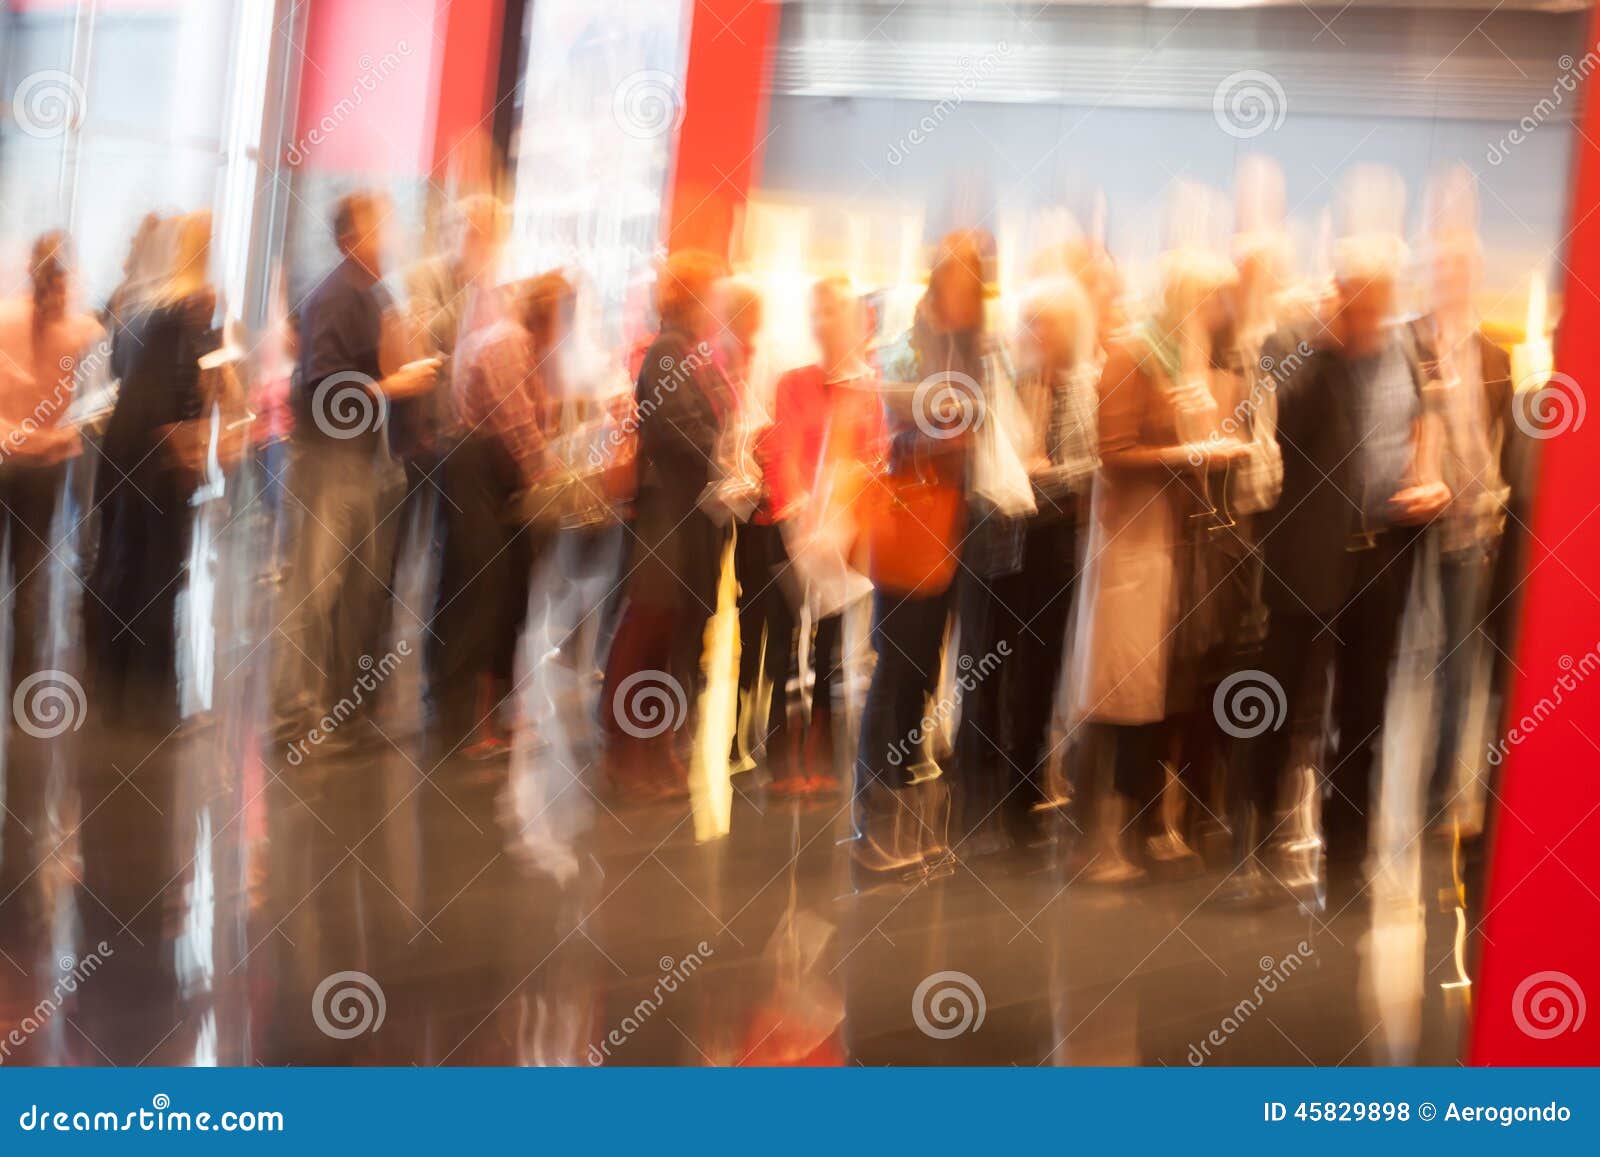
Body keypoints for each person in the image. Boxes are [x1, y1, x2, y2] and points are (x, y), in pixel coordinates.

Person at [1232, 235, 1451, 909]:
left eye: (1378, 299)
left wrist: (1432, 486)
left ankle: (1349, 851)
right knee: (1278, 706)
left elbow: (1418, 434)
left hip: (1379, 558)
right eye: (1356, 296)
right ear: (1339, 291)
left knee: (1363, 713)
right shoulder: (1292, 348)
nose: (1367, 311)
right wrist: (1323, 348)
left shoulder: (1407, 353)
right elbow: (1282, 427)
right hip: (1306, 562)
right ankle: (1258, 838)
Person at [1072, 249, 1249, 883]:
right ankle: (1097, 844)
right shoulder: (1132, 356)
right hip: (1130, 544)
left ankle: (1136, 831)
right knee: (1118, 692)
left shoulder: (1177, 357)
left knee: (1147, 694)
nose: (1217, 315)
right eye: (1207, 303)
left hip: (1164, 545)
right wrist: (1192, 450)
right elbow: (1114, 453)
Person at [851, 230, 1007, 878]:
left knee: (922, 673)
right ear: (942, 283)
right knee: (899, 667)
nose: (970, 294)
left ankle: (902, 821)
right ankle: (874, 820)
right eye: (962, 280)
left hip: (956, 527)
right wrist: (944, 437)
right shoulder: (910, 344)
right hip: (915, 519)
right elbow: (889, 424)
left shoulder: (976, 348)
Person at [270, 191, 435, 748]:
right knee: (314, 594)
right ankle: (295, 719)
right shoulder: (338, 295)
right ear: (350, 241)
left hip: (362, 463)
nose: (390, 237)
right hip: (329, 466)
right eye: (379, 227)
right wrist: (394, 386)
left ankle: (337, 713)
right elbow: (322, 391)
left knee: (353, 595)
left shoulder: (369, 292)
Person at [952, 274, 1099, 856]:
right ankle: (975, 797)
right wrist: (1029, 474)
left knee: (1038, 674)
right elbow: (981, 468)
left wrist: (1042, 477)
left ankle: (1021, 797)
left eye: (1050, 322)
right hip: (993, 549)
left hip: (1053, 551)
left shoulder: (1084, 389)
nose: (1037, 332)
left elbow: (1089, 467)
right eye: (1031, 320)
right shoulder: (998, 383)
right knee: (983, 673)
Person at [88, 212, 241, 727]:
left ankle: (112, 684)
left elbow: (118, 372)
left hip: (120, 449)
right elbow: (176, 394)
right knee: (159, 574)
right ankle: (156, 705)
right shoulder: (184, 307)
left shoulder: (134, 305)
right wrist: (191, 456)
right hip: (157, 457)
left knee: (122, 565)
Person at [601, 249, 731, 800]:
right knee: (649, 633)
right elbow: (681, 429)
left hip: (679, 514)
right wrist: (728, 457)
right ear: (693, 298)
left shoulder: (683, 351)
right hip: (667, 516)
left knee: (662, 635)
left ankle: (649, 752)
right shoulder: (670, 352)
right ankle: (628, 755)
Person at [757, 278, 879, 794]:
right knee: (789, 642)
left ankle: (823, 751)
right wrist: (795, 509)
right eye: (820, 311)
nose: (826, 321)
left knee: (830, 647)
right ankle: (785, 755)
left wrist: (845, 511)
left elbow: (873, 456)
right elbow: (780, 450)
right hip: (793, 528)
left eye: (836, 312)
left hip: (841, 533)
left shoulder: (865, 388)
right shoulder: (793, 382)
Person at [430, 277, 552, 758]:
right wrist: (550, 475)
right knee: (476, 593)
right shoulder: (508, 344)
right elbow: (515, 423)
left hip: (492, 477)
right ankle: (460, 725)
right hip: (474, 472)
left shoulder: (522, 346)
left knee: (504, 595)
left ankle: (488, 716)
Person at [1417, 231, 1513, 825]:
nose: (1453, 277)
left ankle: (1442, 788)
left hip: (1467, 532)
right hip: (1402, 526)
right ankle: (1361, 782)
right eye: (1443, 266)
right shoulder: (1409, 342)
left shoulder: (1494, 358)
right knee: (1388, 659)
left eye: (1462, 267)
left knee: (1457, 663)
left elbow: (1495, 443)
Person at [0, 231, 103, 687]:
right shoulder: (85, 331)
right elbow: (98, 406)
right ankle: (23, 686)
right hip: (44, 470)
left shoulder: (3, 318)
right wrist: (59, 437)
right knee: (30, 584)